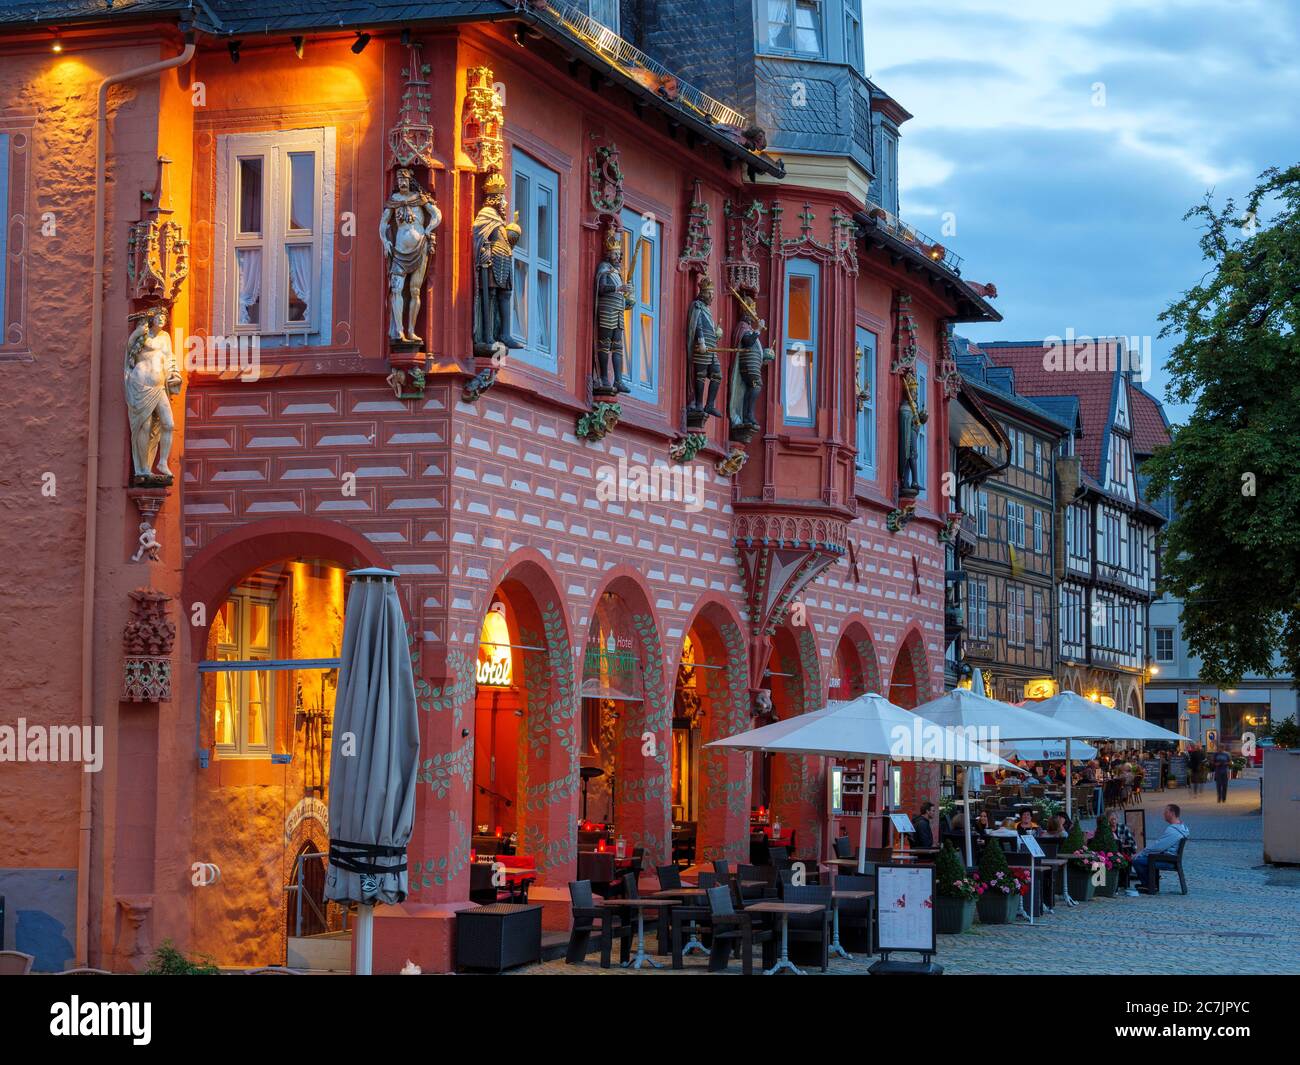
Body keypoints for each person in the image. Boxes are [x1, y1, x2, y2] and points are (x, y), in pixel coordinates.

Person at [1127, 804, 1190, 896]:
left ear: (1172, 813)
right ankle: (1151, 884)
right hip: (1169, 857)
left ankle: (1148, 885)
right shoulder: (1182, 827)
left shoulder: (1173, 830)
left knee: (1137, 861)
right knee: (1146, 858)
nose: (1163, 814)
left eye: (1166, 812)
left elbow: (1158, 847)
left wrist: (1142, 853)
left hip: (1168, 860)